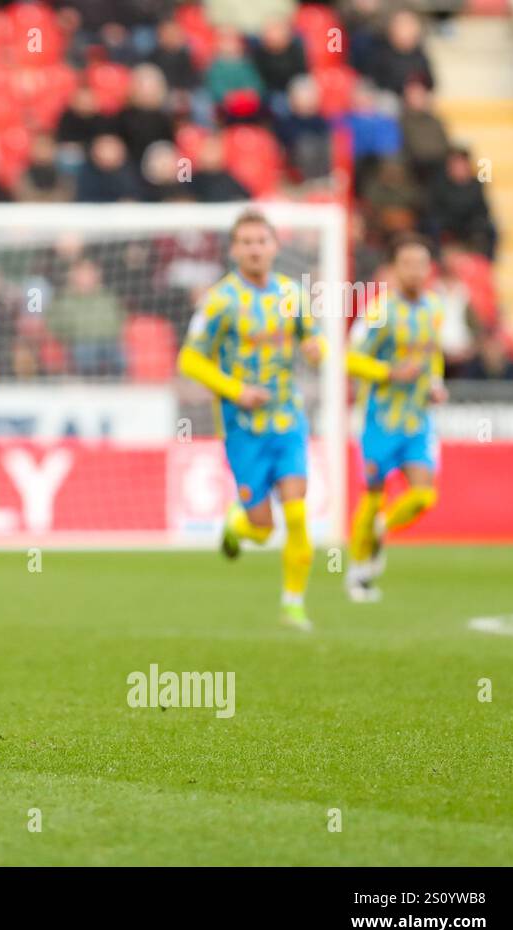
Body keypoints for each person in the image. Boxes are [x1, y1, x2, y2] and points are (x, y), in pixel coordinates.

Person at [178, 210, 326, 631]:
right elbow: (189, 358)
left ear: (275, 247)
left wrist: (316, 348)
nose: (254, 248)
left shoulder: (291, 294)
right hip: (242, 427)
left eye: (261, 240)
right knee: (262, 529)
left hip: (287, 418)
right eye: (246, 242)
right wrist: (235, 390)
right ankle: (237, 523)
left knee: (297, 513)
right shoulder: (220, 300)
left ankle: (294, 603)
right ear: (233, 250)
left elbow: (311, 337)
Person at [346, 234, 448, 601]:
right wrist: (388, 372)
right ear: (393, 269)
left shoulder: (435, 308)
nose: (415, 272)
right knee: (372, 495)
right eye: (407, 264)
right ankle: (358, 574)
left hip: (416, 420)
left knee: (424, 496)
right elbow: (350, 357)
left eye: (421, 264)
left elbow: (432, 354)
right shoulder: (379, 311)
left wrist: (435, 382)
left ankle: (381, 529)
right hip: (379, 420)